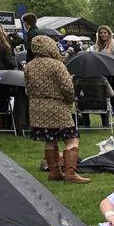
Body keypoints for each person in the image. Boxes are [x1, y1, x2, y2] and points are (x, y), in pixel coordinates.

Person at [23, 35, 89, 183]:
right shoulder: (57, 65)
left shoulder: (29, 66)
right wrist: (69, 100)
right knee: (72, 139)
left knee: (50, 140)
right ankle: (70, 173)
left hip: (37, 109)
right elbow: (67, 88)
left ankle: (54, 172)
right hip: (57, 107)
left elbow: (27, 89)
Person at [91, 25, 114, 122]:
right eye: (101, 33)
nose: (103, 34)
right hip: (103, 75)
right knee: (106, 98)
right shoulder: (98, 46)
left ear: (109, 33)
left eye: (105, 32)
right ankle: (111, 118)